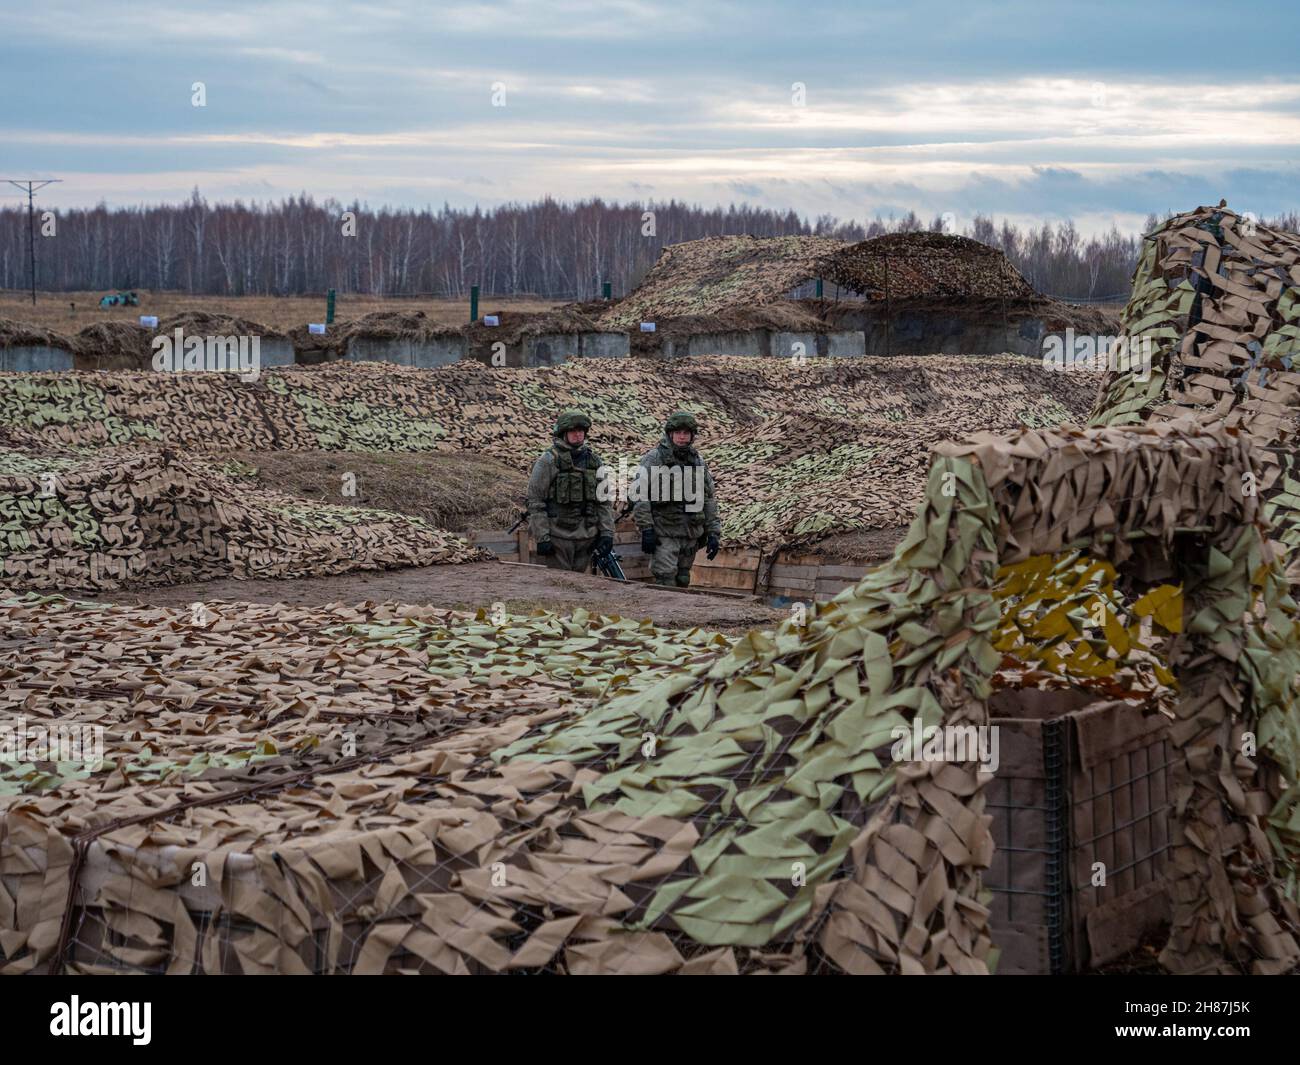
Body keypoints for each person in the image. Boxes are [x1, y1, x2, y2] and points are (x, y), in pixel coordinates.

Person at [632, 410, 721, 587]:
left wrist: (713, 533)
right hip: (665, 531)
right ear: (670, 434)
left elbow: (709, 499)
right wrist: (647, 529)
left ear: (692, 436)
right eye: (678, 433)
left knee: (682, 579)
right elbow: (639, 495)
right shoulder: (654, 458)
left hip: (690, 533)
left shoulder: (698, 461)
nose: (682, 437)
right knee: (665, 578)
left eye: (686, 433)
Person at [527, 409, 614, 572]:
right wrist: (542, 536)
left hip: (587, 537)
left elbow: (604, 501)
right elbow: (535, 500)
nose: (577, 435)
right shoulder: (549, 460)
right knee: (560, 586)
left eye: (581, 431)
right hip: (559, 538)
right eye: (573, 431)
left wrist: (607, 533)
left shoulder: (594, 461)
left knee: (581, 586)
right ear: (563, 434)